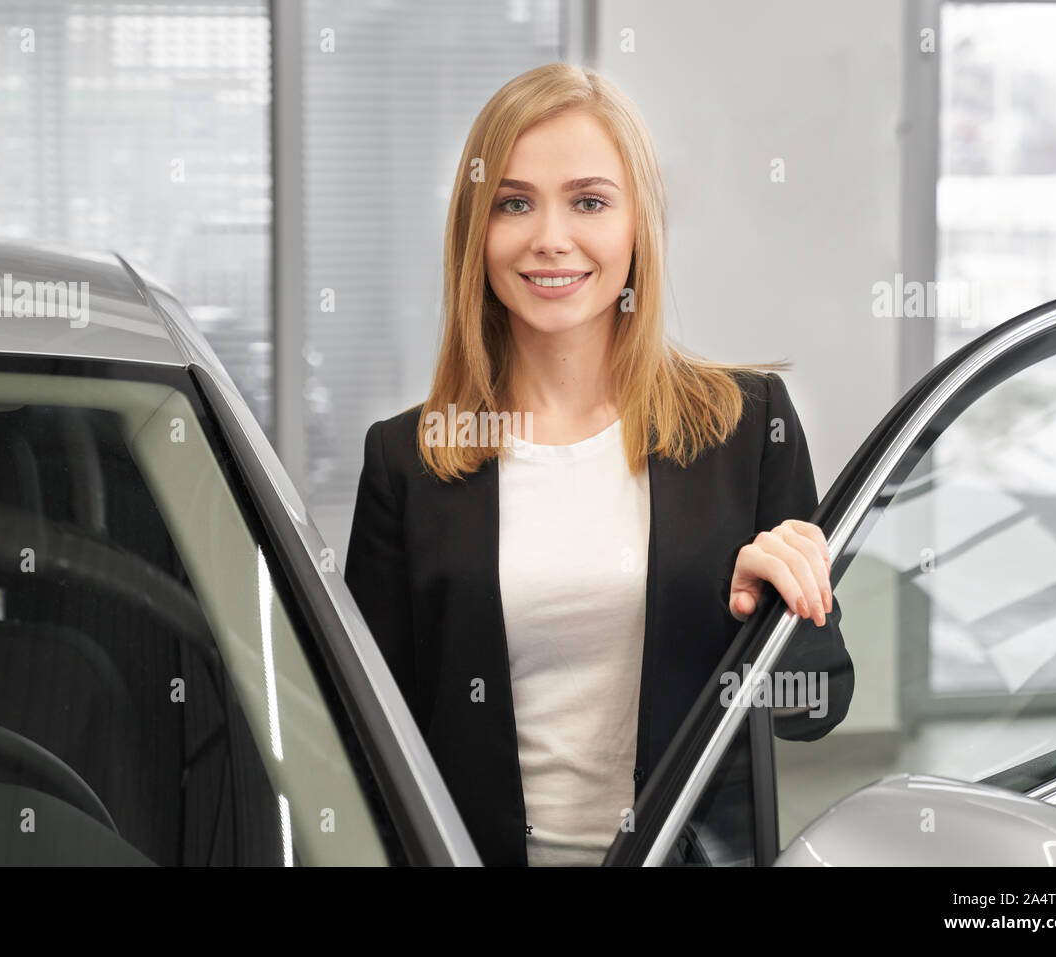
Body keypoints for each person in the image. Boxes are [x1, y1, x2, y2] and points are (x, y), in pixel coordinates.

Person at [344, 62, 851, 867]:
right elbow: (364, 746)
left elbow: (816, 704)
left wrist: (781, 613)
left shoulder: (746, 426)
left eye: (588, 200)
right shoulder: (407, 461)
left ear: (637, 226)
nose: (551, 236)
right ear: (476, 232)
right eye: (515, 203)